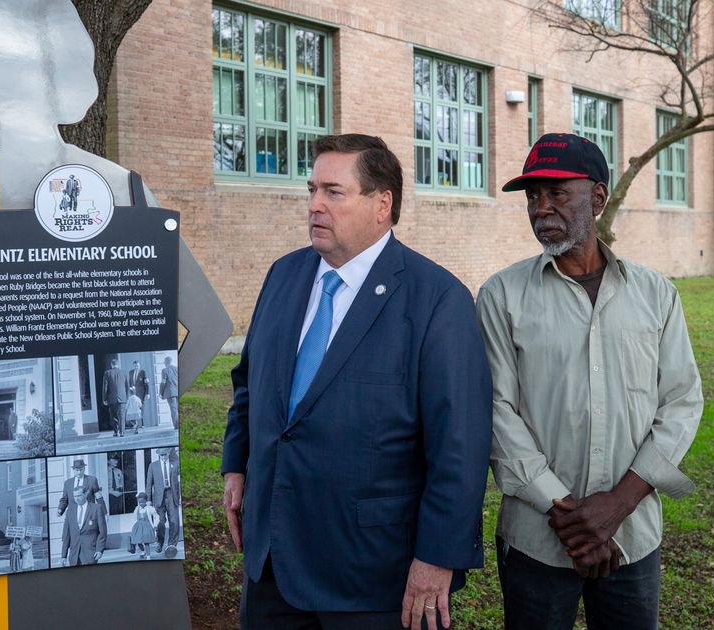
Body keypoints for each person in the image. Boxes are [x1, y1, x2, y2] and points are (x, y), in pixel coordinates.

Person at [221, 134, 492, 630]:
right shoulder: (284, 275)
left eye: (333, 192)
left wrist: (438, 558)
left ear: (381, 204)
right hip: (274, 562)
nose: (314, 206)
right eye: (311, 190)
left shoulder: (437, 299)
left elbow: (461, 444)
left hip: (372, 575)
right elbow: (249, 383)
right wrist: (236, 465)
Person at [477, 133, 703, 630]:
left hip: (633, 535)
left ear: (597, 198)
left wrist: (617, 505)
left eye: (557, 192)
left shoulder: (655, 294)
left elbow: (682, 401)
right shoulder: (501, 296)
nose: (541, 207)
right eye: (533, 196)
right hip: (538, 536)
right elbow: (495, 411)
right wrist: (567, 513)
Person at [145, 448, 180, 554]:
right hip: (159, 498)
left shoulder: (176, 463)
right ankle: (160, 543)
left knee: (174, 521)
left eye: (165, 454)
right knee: (160, 522)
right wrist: (148, 500)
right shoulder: (153, 466)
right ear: (158, 455)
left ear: (169, 453)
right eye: (161, 455)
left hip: (171, 495)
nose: (164, 457)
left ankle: (172, 545)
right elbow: (149, 484)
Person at [61, 489, 106, 567]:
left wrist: (99, 550)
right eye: (75, 496)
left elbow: (102, 532)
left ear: (85, 494)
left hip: (90, 553)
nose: (77, 498)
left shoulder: (96, 508)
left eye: (79, 495)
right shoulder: (70, 511)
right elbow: (66, 535)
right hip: (74, 555)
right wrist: (63, 555)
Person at [102, 357, 128, 437]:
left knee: (113, 416)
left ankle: (116, 432)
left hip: (111, 398)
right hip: (122, 398)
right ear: (118, 364)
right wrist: (126, 397)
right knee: (122, 415)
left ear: (111, 365)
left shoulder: (107, 373)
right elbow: (127, 386)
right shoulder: (123, 372)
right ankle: (122, 432)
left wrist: (104, 398)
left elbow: (105, 387)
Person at [131, 492, 159, 560]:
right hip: (138, 526)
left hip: (147, 526)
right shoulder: (137, 509)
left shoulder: (149, 508)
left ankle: (148, 556)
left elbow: (156, 516)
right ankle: (143, 551)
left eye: (143, 502)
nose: (141, 504)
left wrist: (155, 525)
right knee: (138, 541)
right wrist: (134, 527)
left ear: (146, 501)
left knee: (146, 541)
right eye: (139, 502)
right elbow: (134, 517)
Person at [128, 360, 149, 433]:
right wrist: (130, 389)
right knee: (134, 408)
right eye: (135, 366)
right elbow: (130, 383)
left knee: (141, 407)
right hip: (134, 394)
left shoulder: (143, 372)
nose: (136, 367)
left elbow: (146, 383)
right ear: (133, 366)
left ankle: (142, 423)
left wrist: (147, 393)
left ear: (139, 366)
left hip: (141, 393)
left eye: (137, 366)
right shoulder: (130, 372)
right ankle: (136, 424)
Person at [159, 355, 179, 427]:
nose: (164, 363)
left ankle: (176, 426)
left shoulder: (164, 370)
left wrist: (161, 392)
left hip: (170, 393)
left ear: (167, 362)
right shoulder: (177, 368)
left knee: (173, 410)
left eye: (164, 362)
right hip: (178, 391)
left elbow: (163, 382)